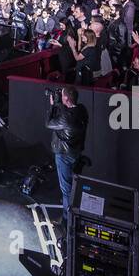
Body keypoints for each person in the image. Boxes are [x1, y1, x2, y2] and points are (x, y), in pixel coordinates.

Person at [45, 87, 88, 225]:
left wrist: (52, 106)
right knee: (72, 185)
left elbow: (48, 123)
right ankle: (71, 210)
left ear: (66, 99)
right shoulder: (81, 110)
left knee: (66, 190)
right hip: (75, 152)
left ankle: (67, 220)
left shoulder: (65, 119)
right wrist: (60, 104)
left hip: (64, 155)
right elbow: (67, 113)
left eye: (62, 96)